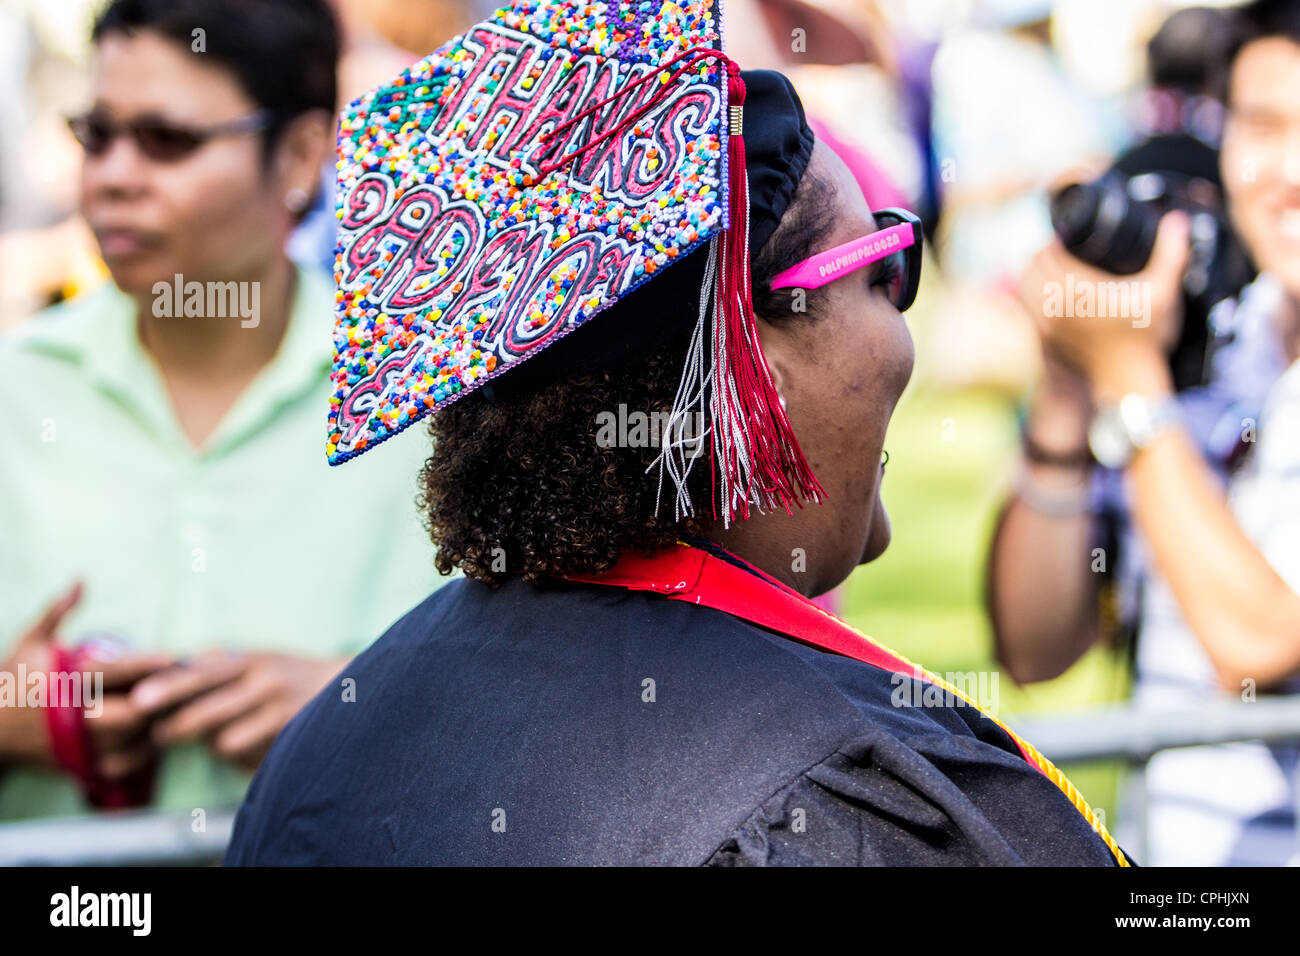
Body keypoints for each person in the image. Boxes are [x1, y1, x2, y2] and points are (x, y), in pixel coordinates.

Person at [226, 0, 1126, 866]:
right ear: (750, 355)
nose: (903, 329)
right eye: (880, 268)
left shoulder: (330, 743)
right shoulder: (827, 808)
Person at [0, 0, 440, 819]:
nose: (115, 175)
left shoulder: (422, 407)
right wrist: (20, 719)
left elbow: (539, 713)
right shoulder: (18, 391)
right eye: (96, 134)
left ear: (303, 153)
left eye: (169, 140)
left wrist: (359, 706)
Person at [989, 0, 1300, 865]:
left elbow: (1257, 649)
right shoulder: (1213, 346)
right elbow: (1036, 648)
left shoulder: (1155, 380)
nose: (1293, 171)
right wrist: (1066, 386)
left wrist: (1129, 381)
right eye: (1268, 125)